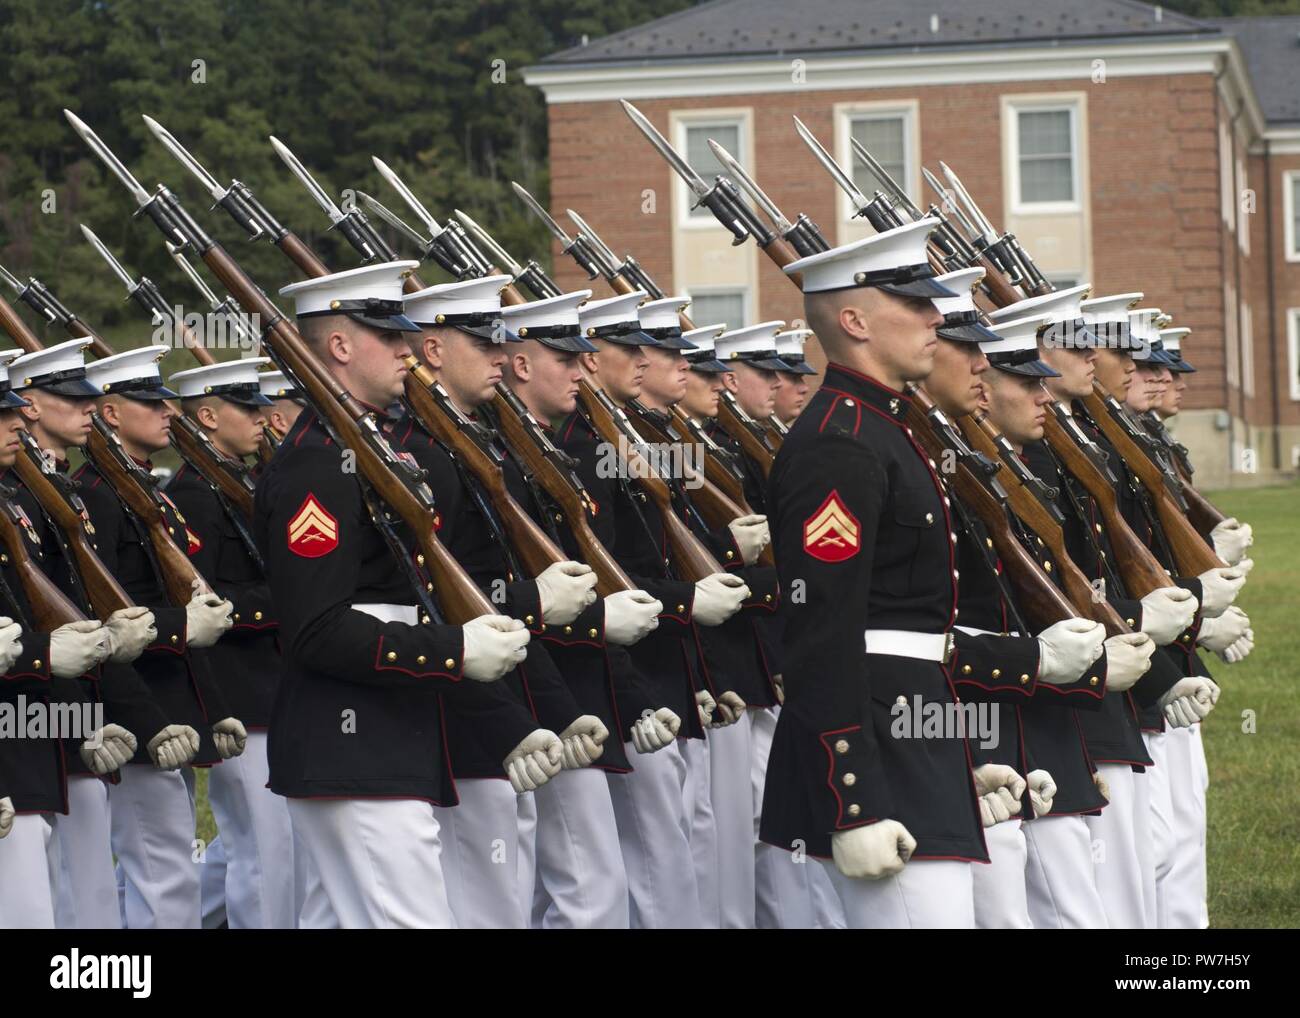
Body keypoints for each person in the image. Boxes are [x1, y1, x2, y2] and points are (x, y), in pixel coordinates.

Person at [262, 261, 532, 928]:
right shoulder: (317, 464)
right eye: (388, 335)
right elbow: (317, 628)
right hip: (354, 746)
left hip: (381, 740)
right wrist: (453, 650)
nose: (408, 348)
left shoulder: (372, 450)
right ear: (340, 346)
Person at [767, 218, 1004, 928]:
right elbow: (821, 633)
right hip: (876, 761)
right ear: (854, 321)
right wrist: (854, 800)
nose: (938, 317)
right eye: (917, 305)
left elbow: (908, 627)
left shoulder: (884, 430)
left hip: (912, 741)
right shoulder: (841, 444)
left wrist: (954, 755)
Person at [400, 275, 606, 928]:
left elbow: (493, 604)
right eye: (483, 342)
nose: (499, 355)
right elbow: (438, 603)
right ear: (432, 351)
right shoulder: (419, 455)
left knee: (508, 903)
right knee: (484, 906)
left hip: (507, 711)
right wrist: (508, 719)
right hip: (462, 718)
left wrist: (551, 710)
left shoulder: (470, 447)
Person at [73, 344, 240, 929]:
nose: (169, 409)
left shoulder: (142, 489)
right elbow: (108, 617)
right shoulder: (96, 492)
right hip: (136, 705)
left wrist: (210, 709)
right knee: (160, 868)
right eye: (151, 401)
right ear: (112, 414)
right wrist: (150, 718)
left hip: (165, 700)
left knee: (159, 868)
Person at [5, 339, 171, 929]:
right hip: (25, 738)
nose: (12, 425)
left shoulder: (48, 497)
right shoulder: (26, 499)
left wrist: (95, 723)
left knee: (82, 901)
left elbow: (66, 624)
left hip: (48, 728)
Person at [166, 356, 297, 929]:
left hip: (267, 687)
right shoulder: (193, 494)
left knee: (253, 844)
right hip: (237, 692)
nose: (262, 415)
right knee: (264, 851)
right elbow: (206, 603)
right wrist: (291, 596)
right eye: (247, 407)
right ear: (208, 416)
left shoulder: (239, 480)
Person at [0, 360, 121, 928]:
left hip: (31, 739)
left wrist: (82, 725)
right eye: (1, 415)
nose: (14, 424)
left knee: (50, 908)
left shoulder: (15, 505)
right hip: (14, 751)